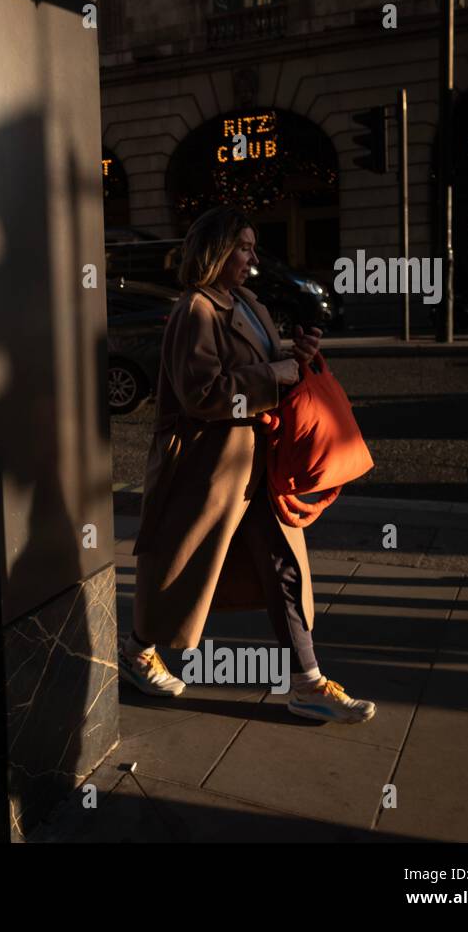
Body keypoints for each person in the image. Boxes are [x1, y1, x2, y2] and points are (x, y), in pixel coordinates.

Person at [121, 206, 376, 724]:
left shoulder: (250, 303)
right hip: (204, 468)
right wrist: (275, 372)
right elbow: (201, 395)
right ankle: (138, 650)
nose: (253, 257)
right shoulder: (195, 309)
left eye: (253, 247)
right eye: (243, 246)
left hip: (259, 462)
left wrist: (297, 361)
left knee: (283, 565)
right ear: (216, 251)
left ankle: (306, 682)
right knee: (178, 567)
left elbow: (262, 372)